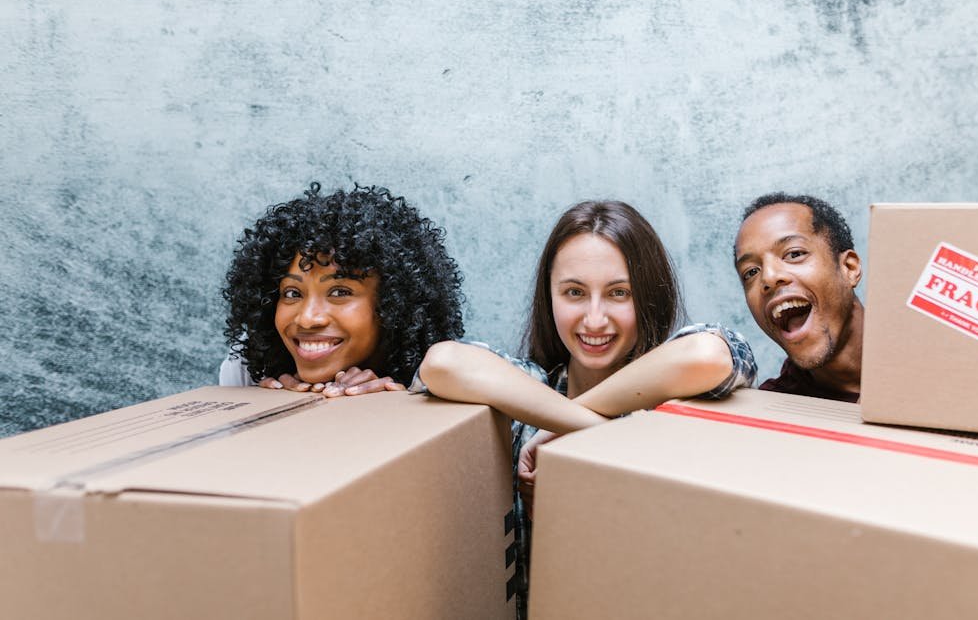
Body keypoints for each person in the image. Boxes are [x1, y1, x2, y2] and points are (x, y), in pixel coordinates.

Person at [416, 200, 756, 618]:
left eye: (619, 293)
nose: (595, 320)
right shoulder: (526, 392)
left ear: (648, 296)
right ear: (550, 297)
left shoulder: (673, 409)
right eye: (574, 293)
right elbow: (443, 363)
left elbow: (710, 356)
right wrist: (582, 423)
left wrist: (575, 427)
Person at [219, 183, 465, 393]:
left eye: (339, 292)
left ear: (394, 305)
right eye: (292, 293)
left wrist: (401, 402)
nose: (307, 319)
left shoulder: (455, 372)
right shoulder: (248, 371)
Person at [734, 192, 864, 402]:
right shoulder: (773, 414)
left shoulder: (928, 343)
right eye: (751, 272)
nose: (769, 277)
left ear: (849, 268)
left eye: (794, 254)